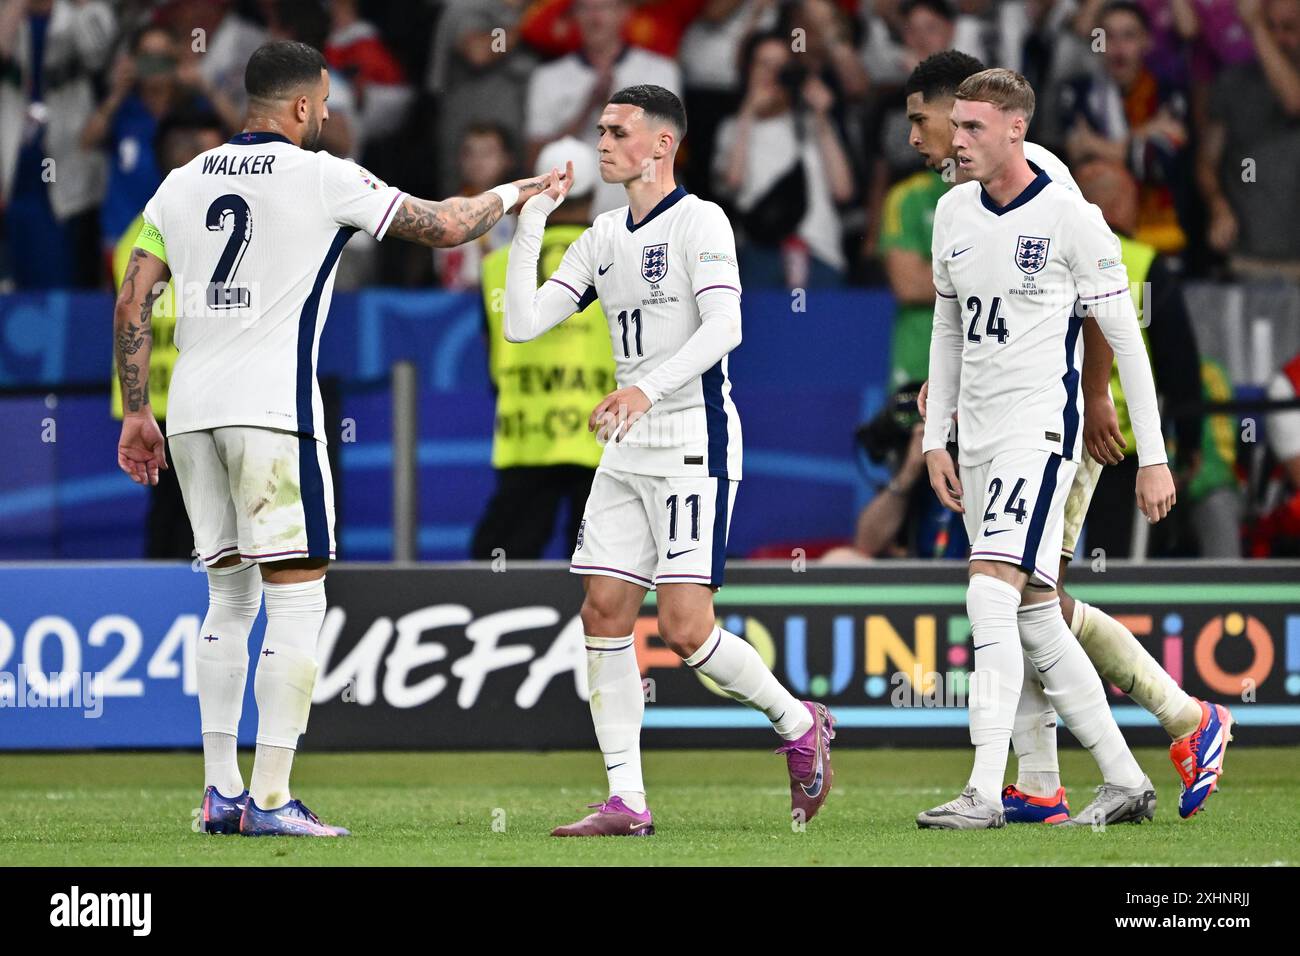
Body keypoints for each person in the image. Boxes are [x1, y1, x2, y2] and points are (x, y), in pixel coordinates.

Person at [113, 39, 557, 838]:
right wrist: (521, 190)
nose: (327, 115)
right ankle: (274, 798)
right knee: (296, 594)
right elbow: (448, 225)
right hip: (272, 411)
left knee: (225, 594)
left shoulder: (178, 185)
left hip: (190, 412)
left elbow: (132, 300)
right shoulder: (322, 175)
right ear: (301, 107)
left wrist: (136, 411)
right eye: (323, 104)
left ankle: (220, 792)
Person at [908, 52, 1232, 823]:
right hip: (978, 433)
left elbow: (1122, 334)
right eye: (951, 127)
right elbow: (948, 327)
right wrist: (935, 434)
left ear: (1013, 128)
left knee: (991, 594)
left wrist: (1150, 454)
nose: (951, 141)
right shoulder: (953, 211)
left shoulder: (1067, 214)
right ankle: (1123, 773)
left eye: (965, 126)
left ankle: (986, 789)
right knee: (1033, 610)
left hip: (1041, 432)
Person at [504, 84, 835, 837]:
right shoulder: (601, 233)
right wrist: (531, 223)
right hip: (628, 448)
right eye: (600, 130)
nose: (603, 142)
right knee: (603, 610)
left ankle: (798, 720)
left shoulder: (701, 221)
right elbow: (523, 323)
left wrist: (643, 391)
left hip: (693, 438)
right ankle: (627, 800)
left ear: (663, 143)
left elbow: (727, 326)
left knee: (686, 630)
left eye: (619, 131)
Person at [473, 137, 614, 560]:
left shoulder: (498, 265)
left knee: (499, 567)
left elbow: (489, 348)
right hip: (601, 438)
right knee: (605, 571)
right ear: (592, 196)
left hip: (526, 437)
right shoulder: (613, 258)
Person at [109, 107, 225, 560]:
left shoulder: (138, 232)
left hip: (173, 399)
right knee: (185, 514)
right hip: (172, 401)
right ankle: (177, 606)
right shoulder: (150, 233)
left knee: (180, 512)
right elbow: (136, 309)